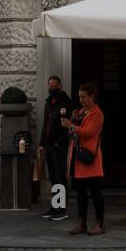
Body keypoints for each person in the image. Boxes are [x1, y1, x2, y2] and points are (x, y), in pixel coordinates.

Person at [61, 82, 105, 236]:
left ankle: (100, 222)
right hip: (79, 158)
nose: (81, 100)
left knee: (95, 192)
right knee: (80, 193)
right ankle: (82, 221)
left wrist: (71, 126)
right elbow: (75, 134)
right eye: (80, 97)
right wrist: (73, 121)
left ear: (92, 97)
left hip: (90, 158)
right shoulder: (81, 112)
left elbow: (89, 132)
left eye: (84, 97)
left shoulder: (97, 114)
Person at [39, 75, 74, 222]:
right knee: (53, 177)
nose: (52, 88)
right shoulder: (49, 103)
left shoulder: (65, 102)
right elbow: (45, 124)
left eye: (55, 86)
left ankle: (62, 209)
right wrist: (42, 143)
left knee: (60, 177)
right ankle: (55, 206)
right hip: (48, 145)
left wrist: (59, 142)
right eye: (50, 86)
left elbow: (66, 125)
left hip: (59, 146)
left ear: (60, 87)